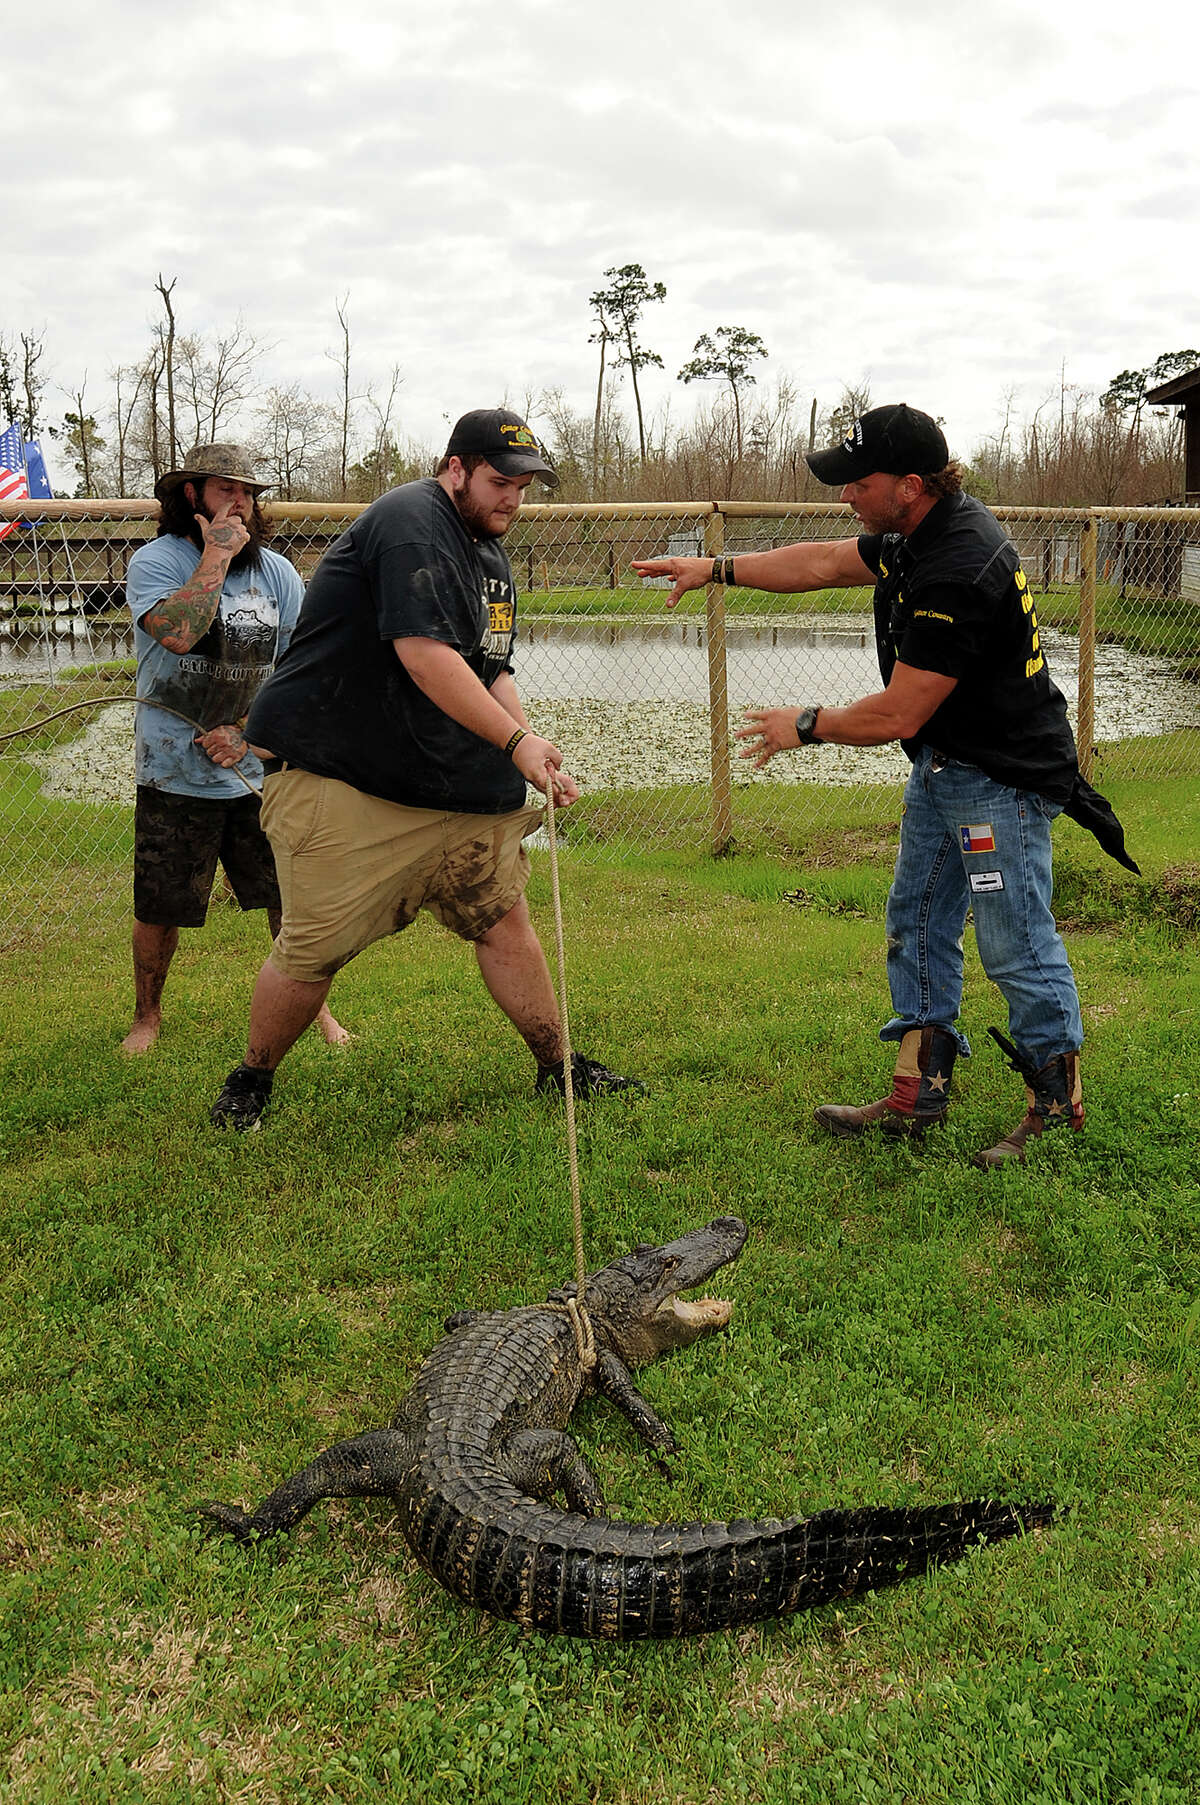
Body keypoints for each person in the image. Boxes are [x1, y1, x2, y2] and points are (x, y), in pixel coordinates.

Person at [633, 403, 1134, 1168]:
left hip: (1002, 779)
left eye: (856, 483)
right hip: (946, 764)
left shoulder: (959, 564)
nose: (846, 496)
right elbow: (827, 561)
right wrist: (716, 568)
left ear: (909, 484)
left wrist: (804, 723)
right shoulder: (916, 533)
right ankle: (917, 1088)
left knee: (1014, 941)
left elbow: (900, 710)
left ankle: (1056, 1103)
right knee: (917, 917)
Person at [209, 408, 642, 1131]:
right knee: (314, 946)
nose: (513, 498)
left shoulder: (492, 563)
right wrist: (512, 745)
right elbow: (425, 655)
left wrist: (531, 747)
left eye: (525, 487)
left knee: (503, 919)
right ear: (456, 469)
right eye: (500, 481)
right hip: (338, 775)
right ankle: (251, 1080)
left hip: (440, 783)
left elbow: (491, 670)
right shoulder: (412, 521)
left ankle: (559, 1067)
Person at [123, 442, 346, 1056]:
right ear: (192, 495)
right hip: (172, 768)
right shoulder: (155, 561)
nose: (241, 504)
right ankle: (147, 1017)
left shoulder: (275, 572)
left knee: (289, 898)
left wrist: (250, 729)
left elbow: (303, 666)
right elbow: (177, 633)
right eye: (227, 490)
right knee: (162, 904)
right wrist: (217, 553)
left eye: (248, 493)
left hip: (260, 768)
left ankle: (316, 1012)